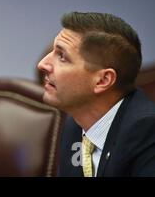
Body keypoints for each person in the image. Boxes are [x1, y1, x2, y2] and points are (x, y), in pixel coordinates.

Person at [37, 12, 155, 177]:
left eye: (62, 56)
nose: (42, 64)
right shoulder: (75, 123)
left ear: (103, 80)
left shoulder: (147, 133)